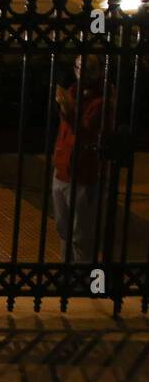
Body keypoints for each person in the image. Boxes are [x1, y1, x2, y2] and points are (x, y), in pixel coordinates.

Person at [52, 55, 110, 263]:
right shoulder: (72, 93)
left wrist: (69, 111)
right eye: (79, 67)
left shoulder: (100, 101)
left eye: (88, 69)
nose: (82, 73)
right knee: (63, 228)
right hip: (63, 168)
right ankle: (66, 272)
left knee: (81, 233)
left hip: (84, 172)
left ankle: (82, 277)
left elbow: (86, 130)